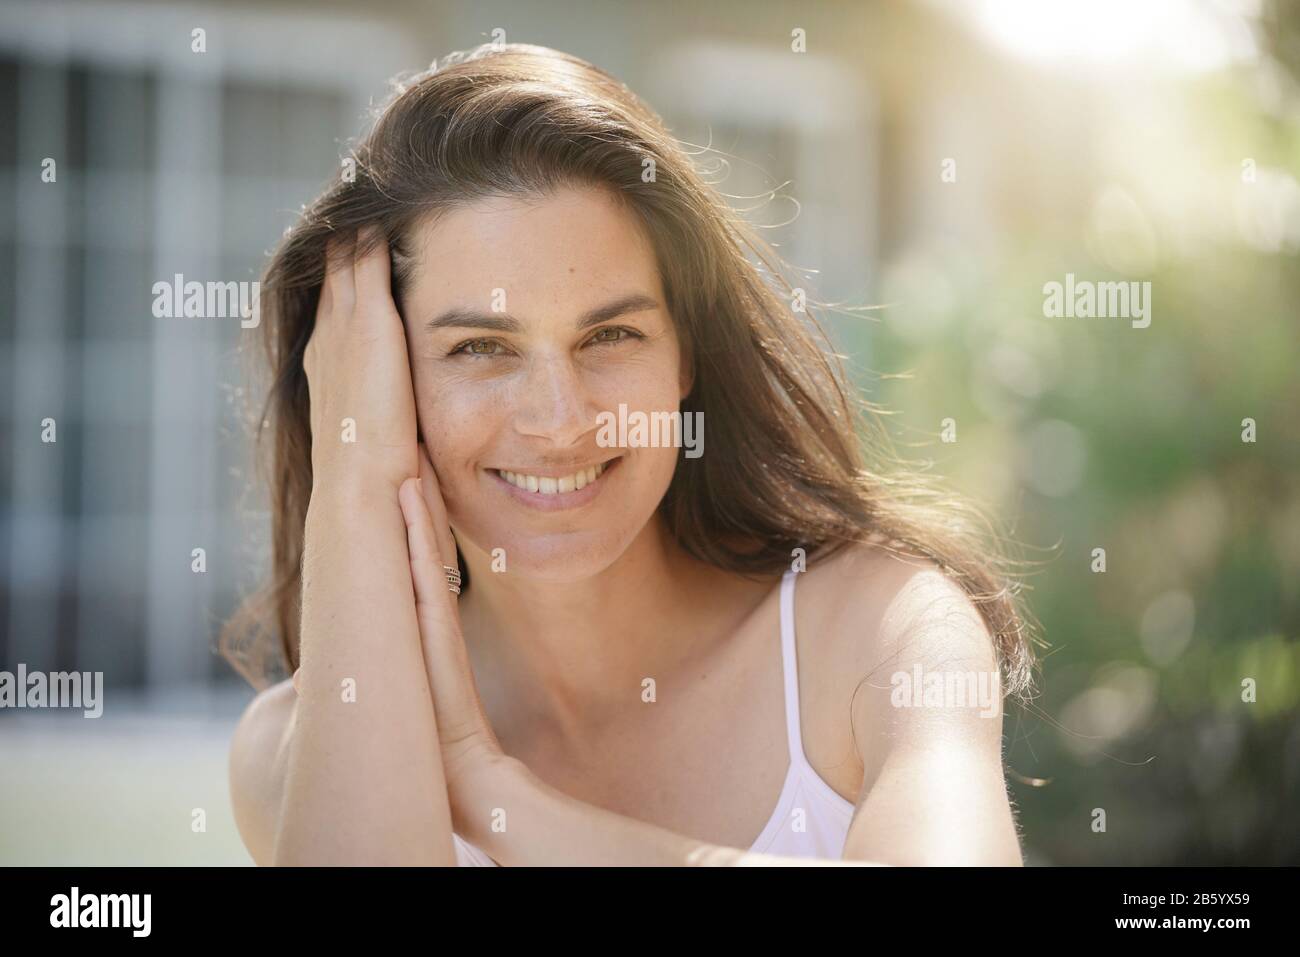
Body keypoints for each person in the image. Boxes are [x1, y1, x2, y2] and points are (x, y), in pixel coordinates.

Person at [225, 42, 1035, 866]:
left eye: (611, 334)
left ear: (687, 351)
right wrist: (357, 478)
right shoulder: (290, 755)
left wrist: (498, 797)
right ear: (380, 380)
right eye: (480, 348)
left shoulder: (883, 634)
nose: (560, 418)